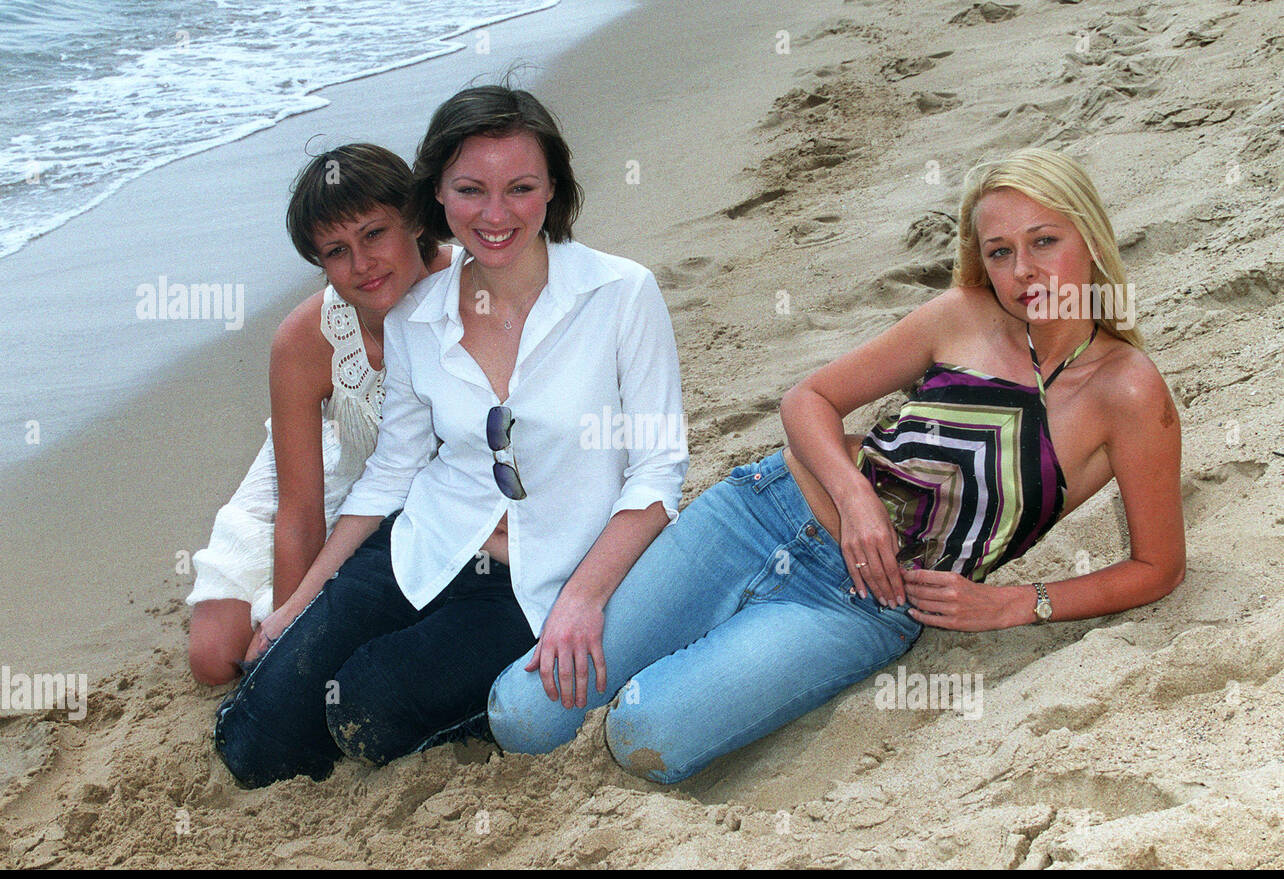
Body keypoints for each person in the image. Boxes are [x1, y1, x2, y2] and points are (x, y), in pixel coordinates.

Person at [488, 147, 1186, 784]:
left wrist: (1019, 601)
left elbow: (1159, 566)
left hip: (858, 605)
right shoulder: (961, 314)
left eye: (1045, 242)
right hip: (764, 510)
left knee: (643, 730)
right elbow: (809, 398)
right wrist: (855, 497)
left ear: (1090, 237)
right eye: (1000, 252)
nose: (1023, 271)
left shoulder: (1127, 392)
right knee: (523, 716)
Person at [212, 85, 688, 788]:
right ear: (436, 192)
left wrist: (584, 598)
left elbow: (657, 475)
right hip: (422, 546)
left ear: (552, 188)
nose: (495, 215)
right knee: (255, 745)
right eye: (470, 190)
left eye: (520, 188)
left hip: (535, 581)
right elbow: (391, 472)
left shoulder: (621, 294)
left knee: (365, 707)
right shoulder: (417, 317)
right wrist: (297, 603)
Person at [187, 144, 451, 685]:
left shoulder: (475, 290)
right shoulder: (305, 339)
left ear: (415, 221)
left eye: (374, 233)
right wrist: (290, 629)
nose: (362, 265)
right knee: (215, 661)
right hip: (332, 457)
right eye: (336, 250)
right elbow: (300, 509)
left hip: (412, 484)